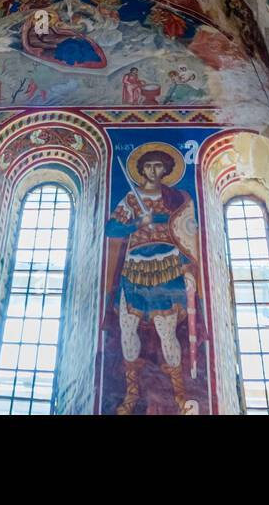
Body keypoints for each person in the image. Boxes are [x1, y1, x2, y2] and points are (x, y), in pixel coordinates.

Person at [105, 144, 201, 414]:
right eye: (148, 165)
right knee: (127, 328)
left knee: (166, 331)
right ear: (141, 169)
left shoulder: (174, 199)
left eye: (158, 166)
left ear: (166, 170)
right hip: (135, 268)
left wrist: (187, 268)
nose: (153, 170)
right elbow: (110, 227)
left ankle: (180, 396)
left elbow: (187, 231)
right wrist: (137, 223)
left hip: (167, 266)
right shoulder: (132, 200)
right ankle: (131, 394)